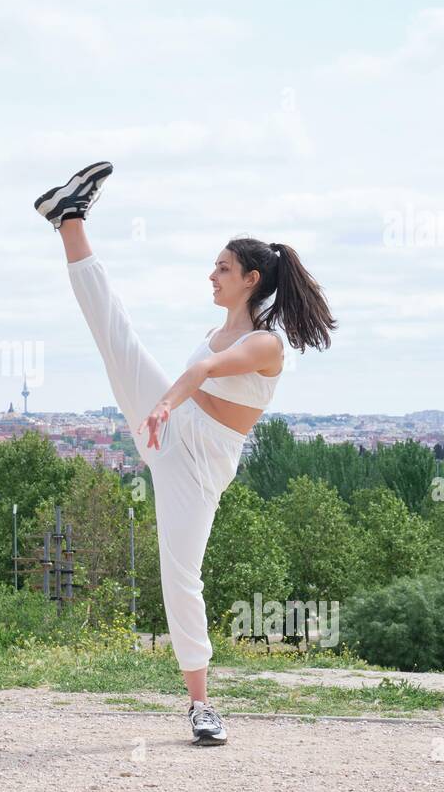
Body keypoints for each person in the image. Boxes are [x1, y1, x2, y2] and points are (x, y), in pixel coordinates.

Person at [35, 162, 336, 745]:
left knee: (180, 576)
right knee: (114, 333)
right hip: (171, 427)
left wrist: (164, 404)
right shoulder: (219, 327)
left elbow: (202, 371)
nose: (212, 275)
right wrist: (165, 408)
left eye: (222, 268)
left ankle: (200, 704)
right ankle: (69, 218)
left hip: (195, 465)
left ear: (251, 278)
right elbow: (195, 370)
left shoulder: (267, 344)